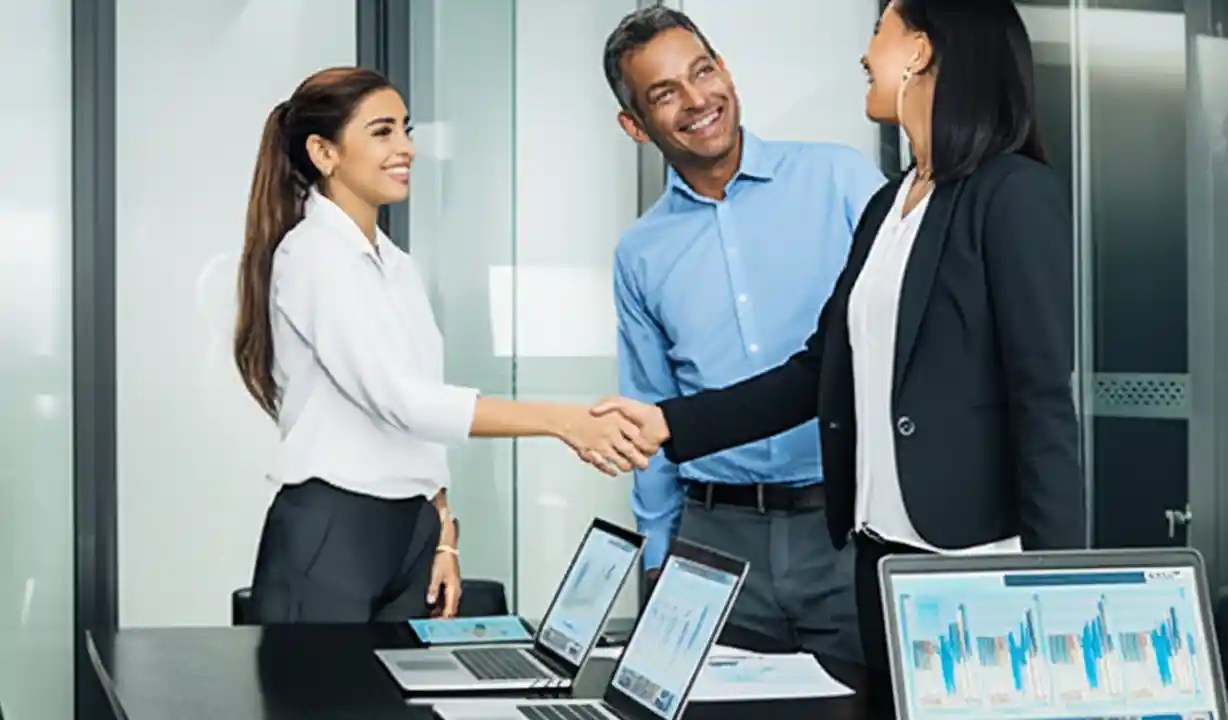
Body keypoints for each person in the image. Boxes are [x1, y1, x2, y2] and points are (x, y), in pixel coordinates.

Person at [594, 0, 1085, 691]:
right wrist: (672, 425)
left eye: (879, 29)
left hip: (967, 557)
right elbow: (819, 372)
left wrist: (1060, 584)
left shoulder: (1010, 193)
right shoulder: (892, 205)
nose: (865, 50)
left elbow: (1042, 404)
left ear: (919, 50)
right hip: (878, 558)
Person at [234, 67, 655, 624]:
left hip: (410, 534)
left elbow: (422, 413)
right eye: (382, 131)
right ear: (323, 152)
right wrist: (564, 420)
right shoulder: (311, 256)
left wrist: (443, 532)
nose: (406, 147)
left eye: (405, 130)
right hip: (334, 531)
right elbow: (400, 400)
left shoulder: (396, 265)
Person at [601, 8, 883, 661]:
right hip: (714, 542)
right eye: (664, 94)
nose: (698, 100)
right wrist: (658, 557)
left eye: (703, 71)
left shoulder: (842, 182)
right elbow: (648, 413)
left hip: (842, 527)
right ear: (634, 126)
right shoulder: (640, 253)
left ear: (726, 70)